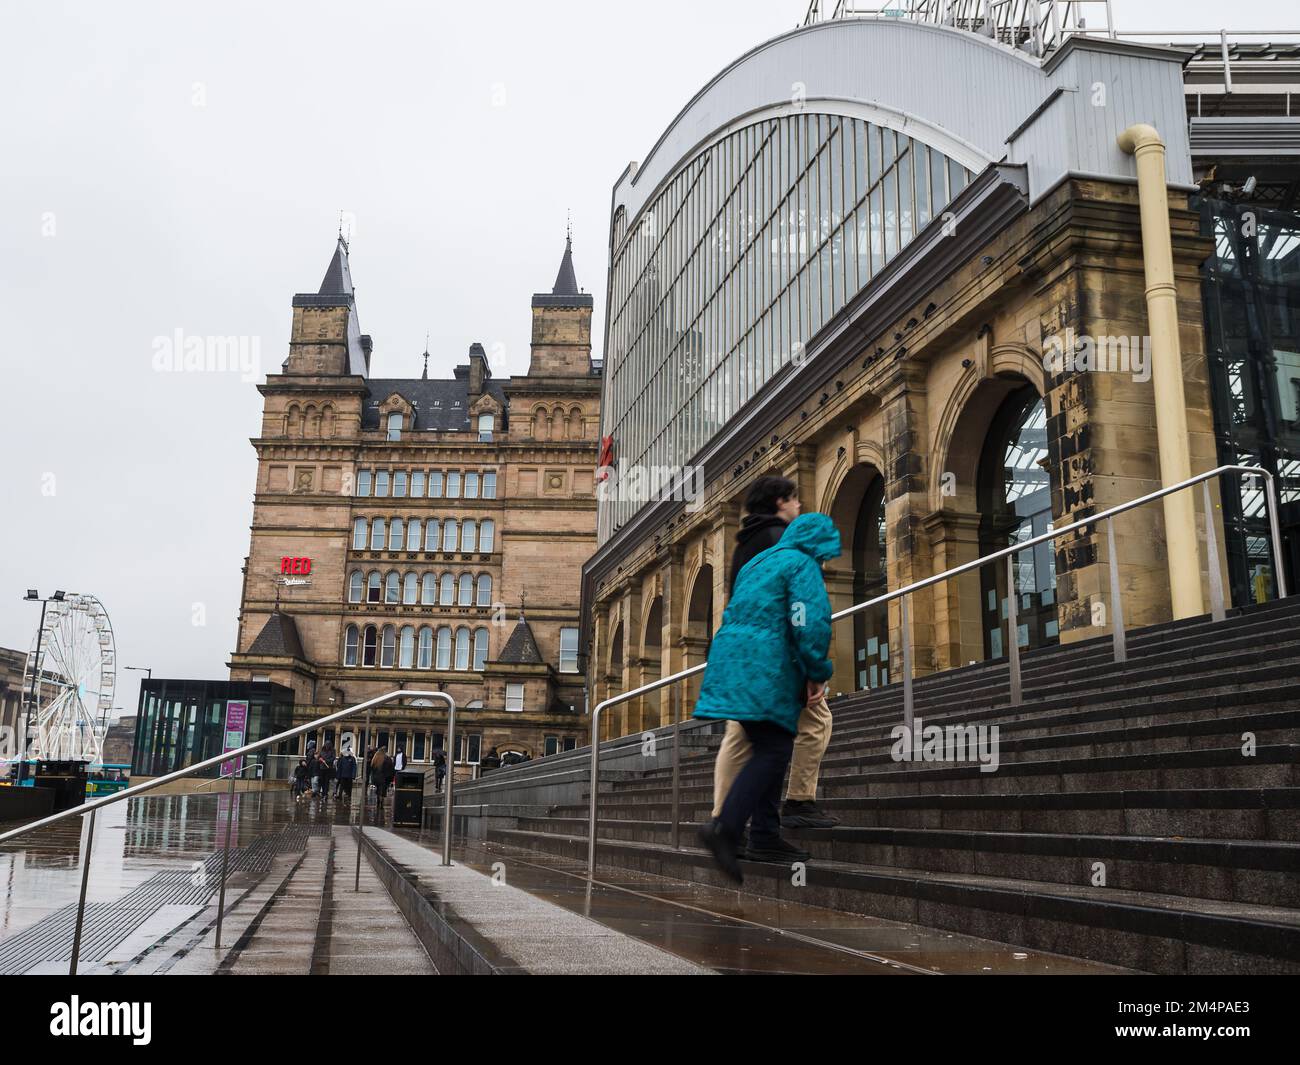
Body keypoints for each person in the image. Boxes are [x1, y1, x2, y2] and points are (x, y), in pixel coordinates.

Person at [694, 511, 841, 882]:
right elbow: (808, 621)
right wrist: (816, 672)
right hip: (768, 668)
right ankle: (725, 828)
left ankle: (763, 835)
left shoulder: (759, 562)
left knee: (769, 746)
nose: (825, 558)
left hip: (733, 662)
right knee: (774, 750)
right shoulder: (802, 564)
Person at [712, 475, 841, 832]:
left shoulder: (744, 545)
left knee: (739, 735)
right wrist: (812, 667)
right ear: (779, 503)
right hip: (777, 658)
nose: (799, 506)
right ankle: (799, 800)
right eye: (794, 500)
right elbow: (801, 611)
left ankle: (724, 819)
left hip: (744, 656)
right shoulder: (783, 543)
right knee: (816, 721)